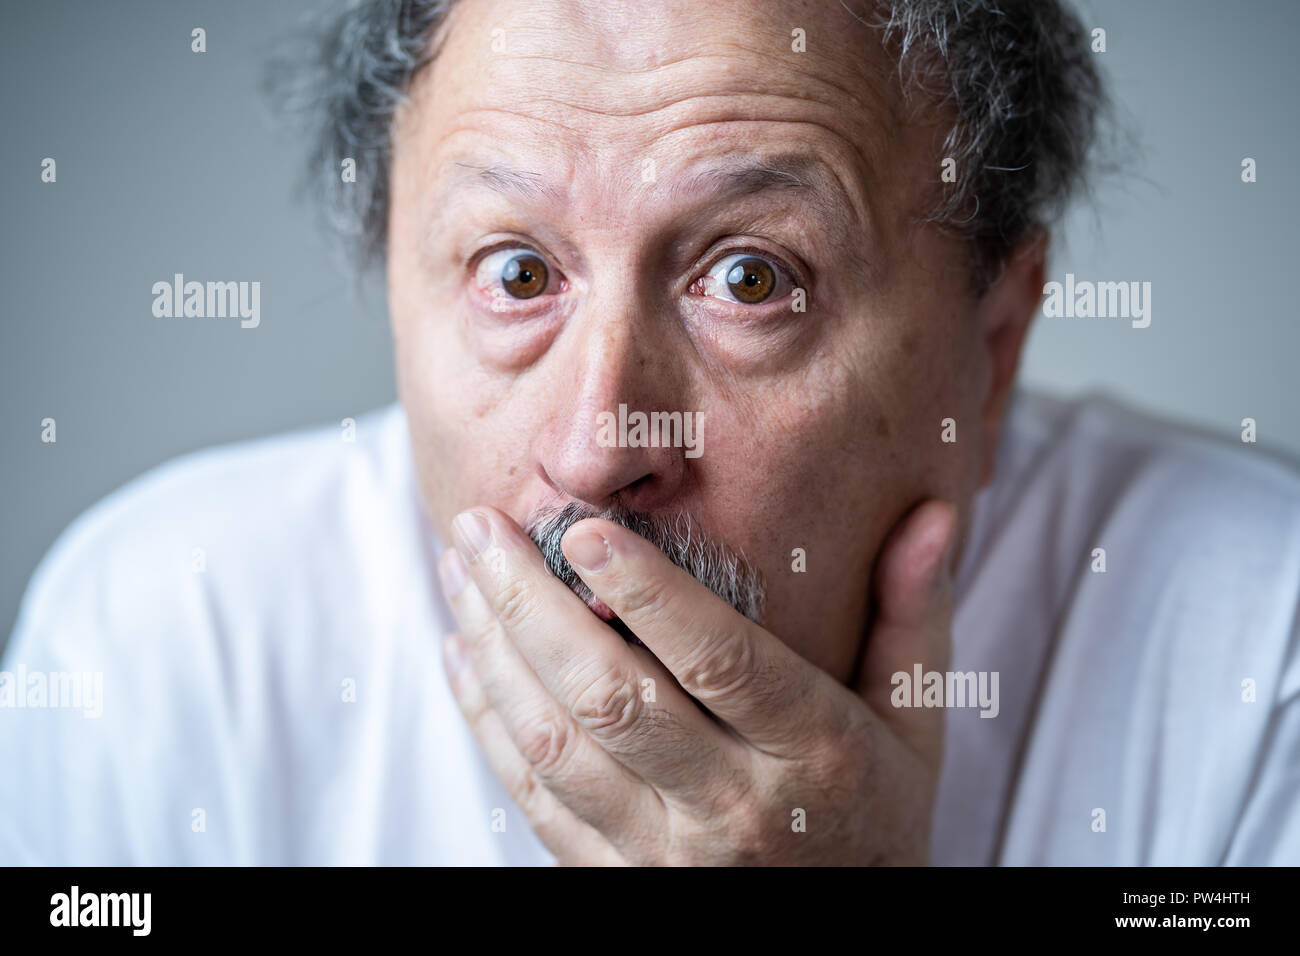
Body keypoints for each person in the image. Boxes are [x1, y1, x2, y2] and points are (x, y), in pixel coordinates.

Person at [3, 0, 1297, 865]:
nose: (597, 445)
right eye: (516, 274)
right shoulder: (168, 631)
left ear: (992, 345)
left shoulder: (1259, 642)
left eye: (750, 280)